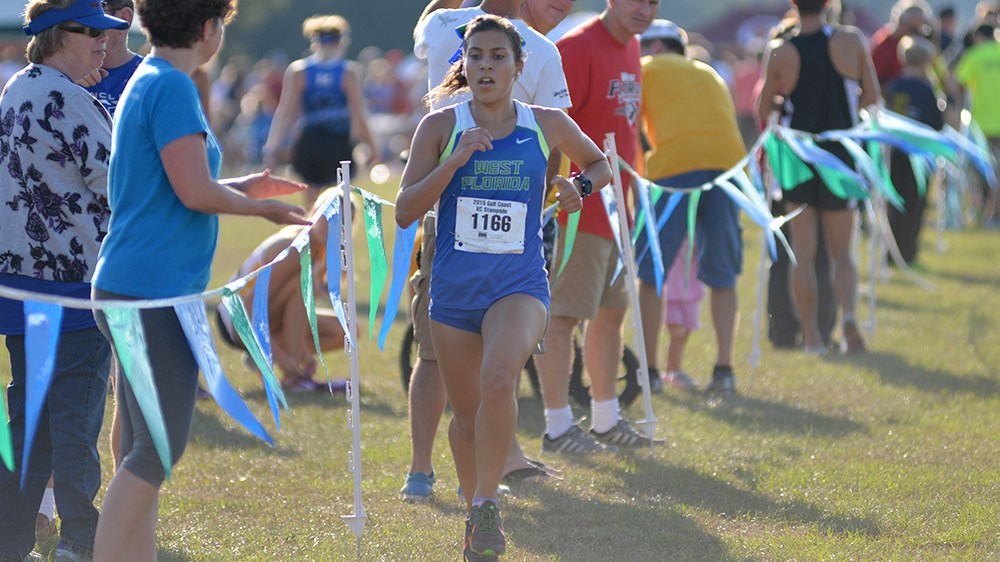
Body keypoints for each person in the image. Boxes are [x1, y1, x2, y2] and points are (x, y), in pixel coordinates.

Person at [89, 0, 308, 559]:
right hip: (148, 290)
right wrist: (260, 210)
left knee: (142, 445)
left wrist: (246, 184)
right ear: (210, 29)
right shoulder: (173, 87)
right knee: (156, 451)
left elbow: (175, 181)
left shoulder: (150, 78)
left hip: (135, 283)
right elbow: (192, 192)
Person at [396, 15, 604, 559]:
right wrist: (455, 160)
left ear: (519, 65)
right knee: (466, 420)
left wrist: (574, 185)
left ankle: (487, 503)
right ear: (462, 64)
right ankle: (475, 516)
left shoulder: (546, 123)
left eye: (497, 56)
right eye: (476, 56)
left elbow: (601, 166)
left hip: (519, 284)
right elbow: (403, 211)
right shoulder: (440, 126)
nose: (486, 66)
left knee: (498, 379)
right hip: (455, 290)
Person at [0, 2, 128, 560]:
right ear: (60, 36)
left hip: (21, 285)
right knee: (75, 416)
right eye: (93, 34)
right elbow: (116, 182)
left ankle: (11, 536)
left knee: (30, 418)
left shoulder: (16, 88)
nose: (104, 44)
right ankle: (79, 537)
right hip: (76, 284)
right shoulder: (70, 99)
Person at [533, 0, 660, 455]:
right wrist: (550, 192)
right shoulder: (577, 47)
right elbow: (550, 128)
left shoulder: (633, 47)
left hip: (616, 212)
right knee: (564, 316)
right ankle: (557, 426)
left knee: (610, 314)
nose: (645, 9)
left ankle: (606, 419)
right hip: (577, 208)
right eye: (636, 0)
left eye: (654, 2)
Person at [757, 0, 880, 355]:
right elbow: (872, 97)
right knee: (842, 252)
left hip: (798, 157)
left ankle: (810, 336)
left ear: (793, 4)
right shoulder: (852, 40)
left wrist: (784, 103)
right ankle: (849, 318)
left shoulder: (781, 50)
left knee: (803, 252)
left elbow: (764, 110)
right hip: (839, 155)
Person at [634, 19, 746, 395]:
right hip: (728, 168)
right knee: (723, 273)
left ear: (651, 48)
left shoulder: (643, 68)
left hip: (674, 167)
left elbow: (630, 129)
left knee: (651, 272)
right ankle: (724, 368)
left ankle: (649, 370)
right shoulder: (710, 71)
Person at [215, 187, 347, 392]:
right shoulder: (293, 248)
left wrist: (303, 351)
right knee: (303, 283)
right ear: (314, 212)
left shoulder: (321, 250)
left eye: (341, 223)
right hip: (234, 321)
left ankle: (290, 363)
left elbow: (298, 308)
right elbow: (245, 311)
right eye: (327, 216)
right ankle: (291, 372)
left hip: (266, 318)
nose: (333, 226)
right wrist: (281, 356)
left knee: (347, 329)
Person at [264, 14, 379, 207]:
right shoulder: (349, 72)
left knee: (312, 205)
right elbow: (359, 115)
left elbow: (285, 113)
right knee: (339, 202)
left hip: (309, 142)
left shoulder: (299, 70)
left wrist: (272, 148)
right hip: (338, 143)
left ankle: (316, 237)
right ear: (341, 41)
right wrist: (373, 149)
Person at [885, 36, 945, 263]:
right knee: (916, 204)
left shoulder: (894, 86)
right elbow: (936, 125)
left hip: (896, 152)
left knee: (895, 202)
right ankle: (909, 252)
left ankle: (892, 253)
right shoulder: (927, 90)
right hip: (920, 155)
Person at [955, 23, 1000, 226]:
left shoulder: (974, 55)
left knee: (977, 171)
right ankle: (994, 216)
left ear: (979, 37)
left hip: (980, 123)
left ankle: (979, 213)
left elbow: (957, 82)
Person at [83, 0, 142, 116]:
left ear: (124, 18)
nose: (83, 24)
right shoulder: (67, 74)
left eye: (95, 14)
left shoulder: (149, 77)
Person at [660, 240, 705, 389]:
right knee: (677, 333)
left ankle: (670, 369)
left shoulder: (698, 231)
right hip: (671, 292)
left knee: (685, 332)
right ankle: (675, 372)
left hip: (690, 291)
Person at [871, 0, 933, 90]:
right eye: (913, 29)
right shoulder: (883, 45)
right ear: (901, 22)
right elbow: (875, 82)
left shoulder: (917, 45)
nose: (917, 34)